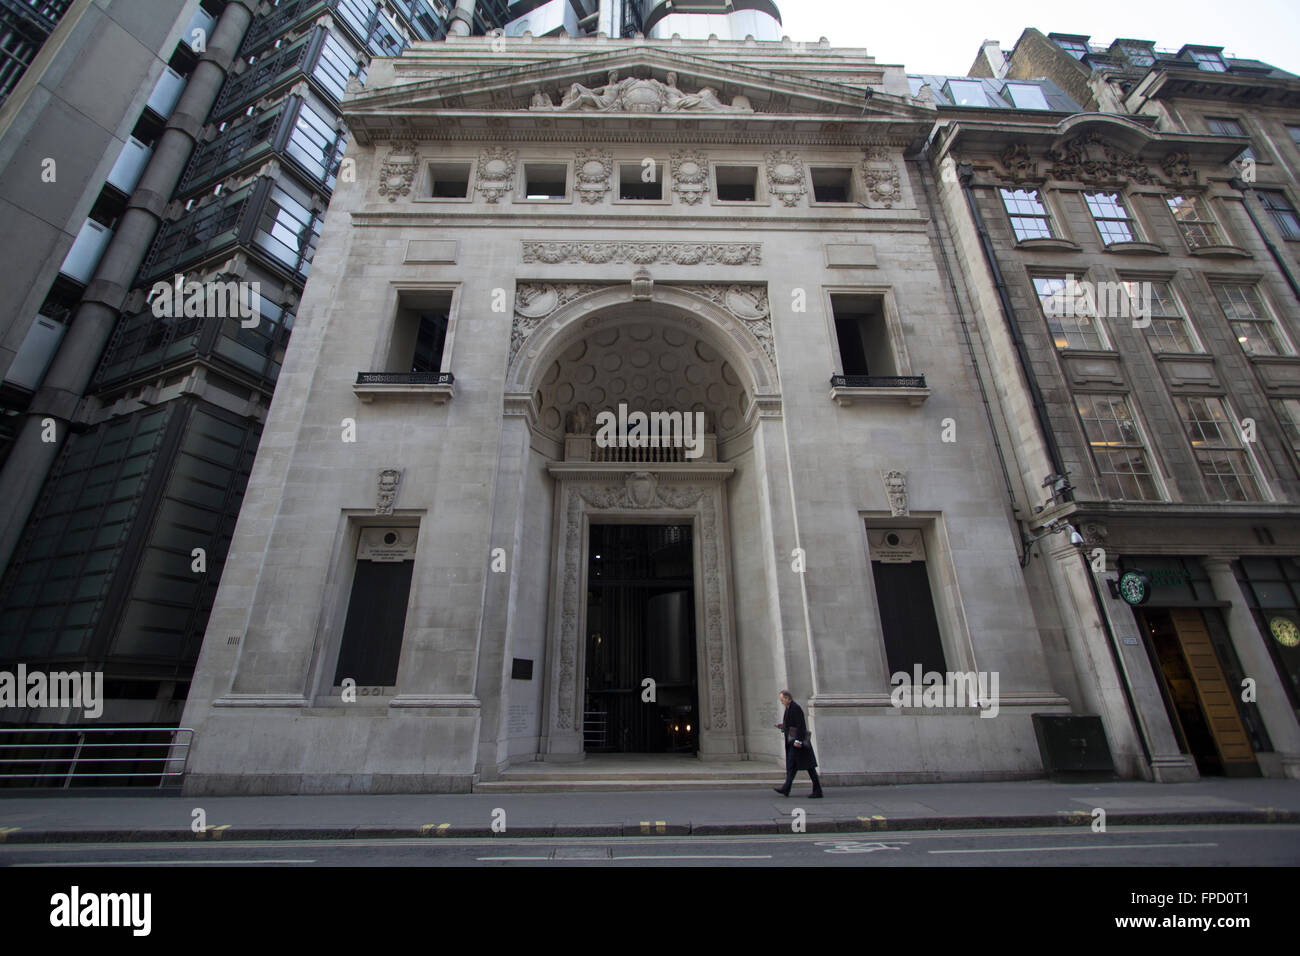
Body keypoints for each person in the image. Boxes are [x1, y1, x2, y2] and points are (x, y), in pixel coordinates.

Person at [773, 689, 823, 798]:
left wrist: (798, 740)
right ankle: (786, 788)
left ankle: (817, 791)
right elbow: (793, 724)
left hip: (797, 744)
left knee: (808, 767)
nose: (781, 702)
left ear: (787, 698)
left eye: (782, 699)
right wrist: (782, 726)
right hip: (794, 743)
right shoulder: (789, 708)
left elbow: (801, 726)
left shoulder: (795, 708)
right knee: (792, 766)